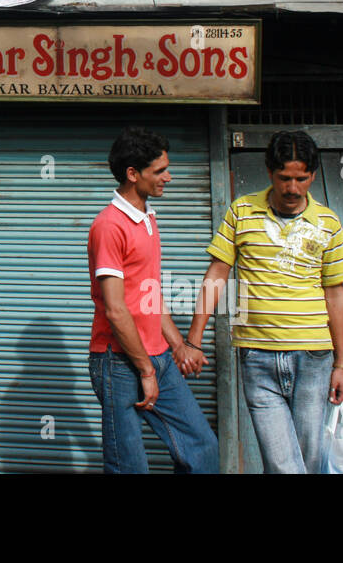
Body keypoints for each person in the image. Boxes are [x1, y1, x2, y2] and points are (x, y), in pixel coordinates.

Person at [186, 130, 343, 474]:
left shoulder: (329, 223)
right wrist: (193, 338)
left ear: (313, 175)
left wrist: (341, 364)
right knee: (282, 465)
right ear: (269, 172)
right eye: (284, 178)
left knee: (308, 462)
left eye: (301, 178)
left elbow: (335, 295)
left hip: (313, 358)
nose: (292, 188)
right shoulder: (242, 211)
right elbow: (217, 274)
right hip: (257, 357)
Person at [87, 127, 218, 474]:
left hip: (158, 356)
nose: (168, 178)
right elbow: (116, 309)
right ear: (133, 174)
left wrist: (180, 346)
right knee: (130, 466)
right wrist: (145, 369)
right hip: (118, 363)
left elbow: (149, 295)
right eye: (159, 171)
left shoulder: (147, 219)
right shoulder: (109, 225)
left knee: (201, 448)